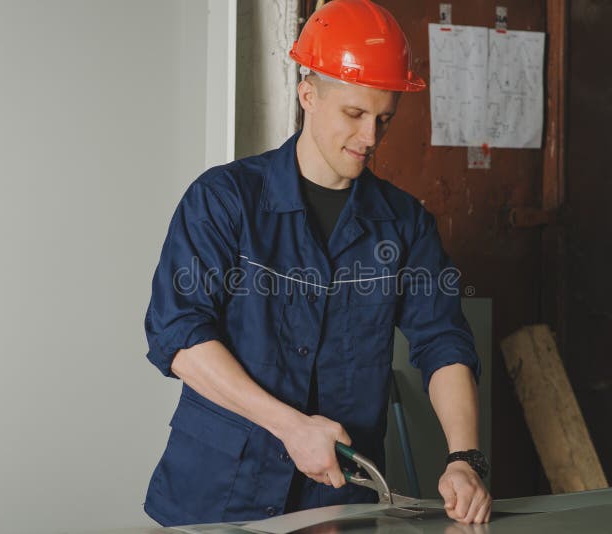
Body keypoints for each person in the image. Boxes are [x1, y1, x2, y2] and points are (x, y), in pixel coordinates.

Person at [143, 0, 491, 527]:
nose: (370, 138)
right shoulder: (224, 199)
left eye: (383, 119)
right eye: (354, 114)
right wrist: (290, 426)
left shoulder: (406, 224)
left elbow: (442, 341)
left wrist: (463, 459)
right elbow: (178, 336)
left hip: (333, 504)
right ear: (308, 95)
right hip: (213, 495)